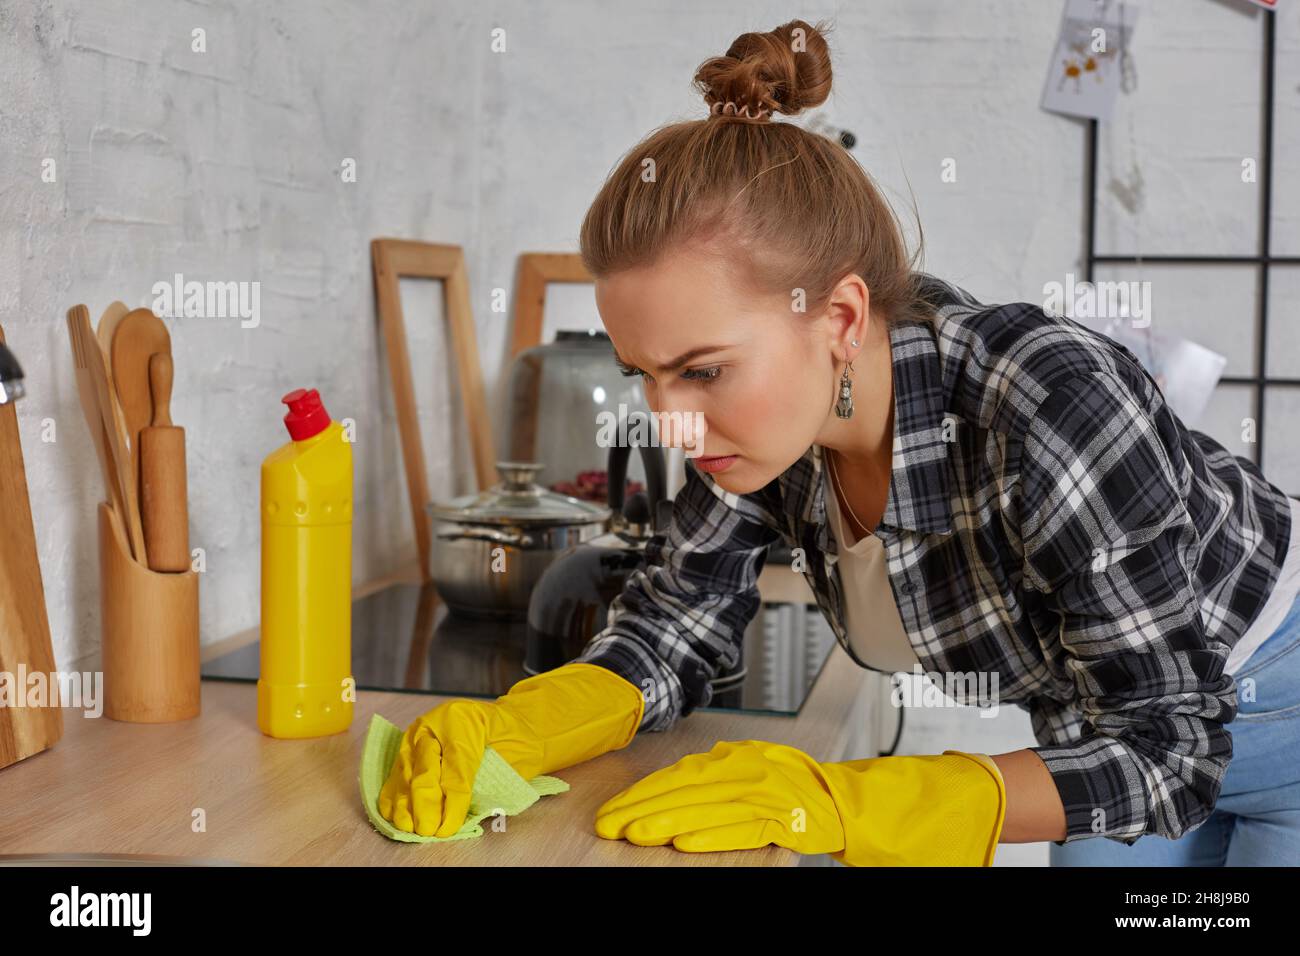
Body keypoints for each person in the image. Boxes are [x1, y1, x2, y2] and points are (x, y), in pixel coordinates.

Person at [379, 18, 1300, 866]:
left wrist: (855, 803)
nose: (670, 420)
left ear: (842, 315)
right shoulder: (750, 429)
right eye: (641, 373)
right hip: (1109, 721)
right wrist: (522, 725)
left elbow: (1168, 750)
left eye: (701, 370)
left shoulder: (1051, 399)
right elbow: (680, 620)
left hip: (1268, 694)